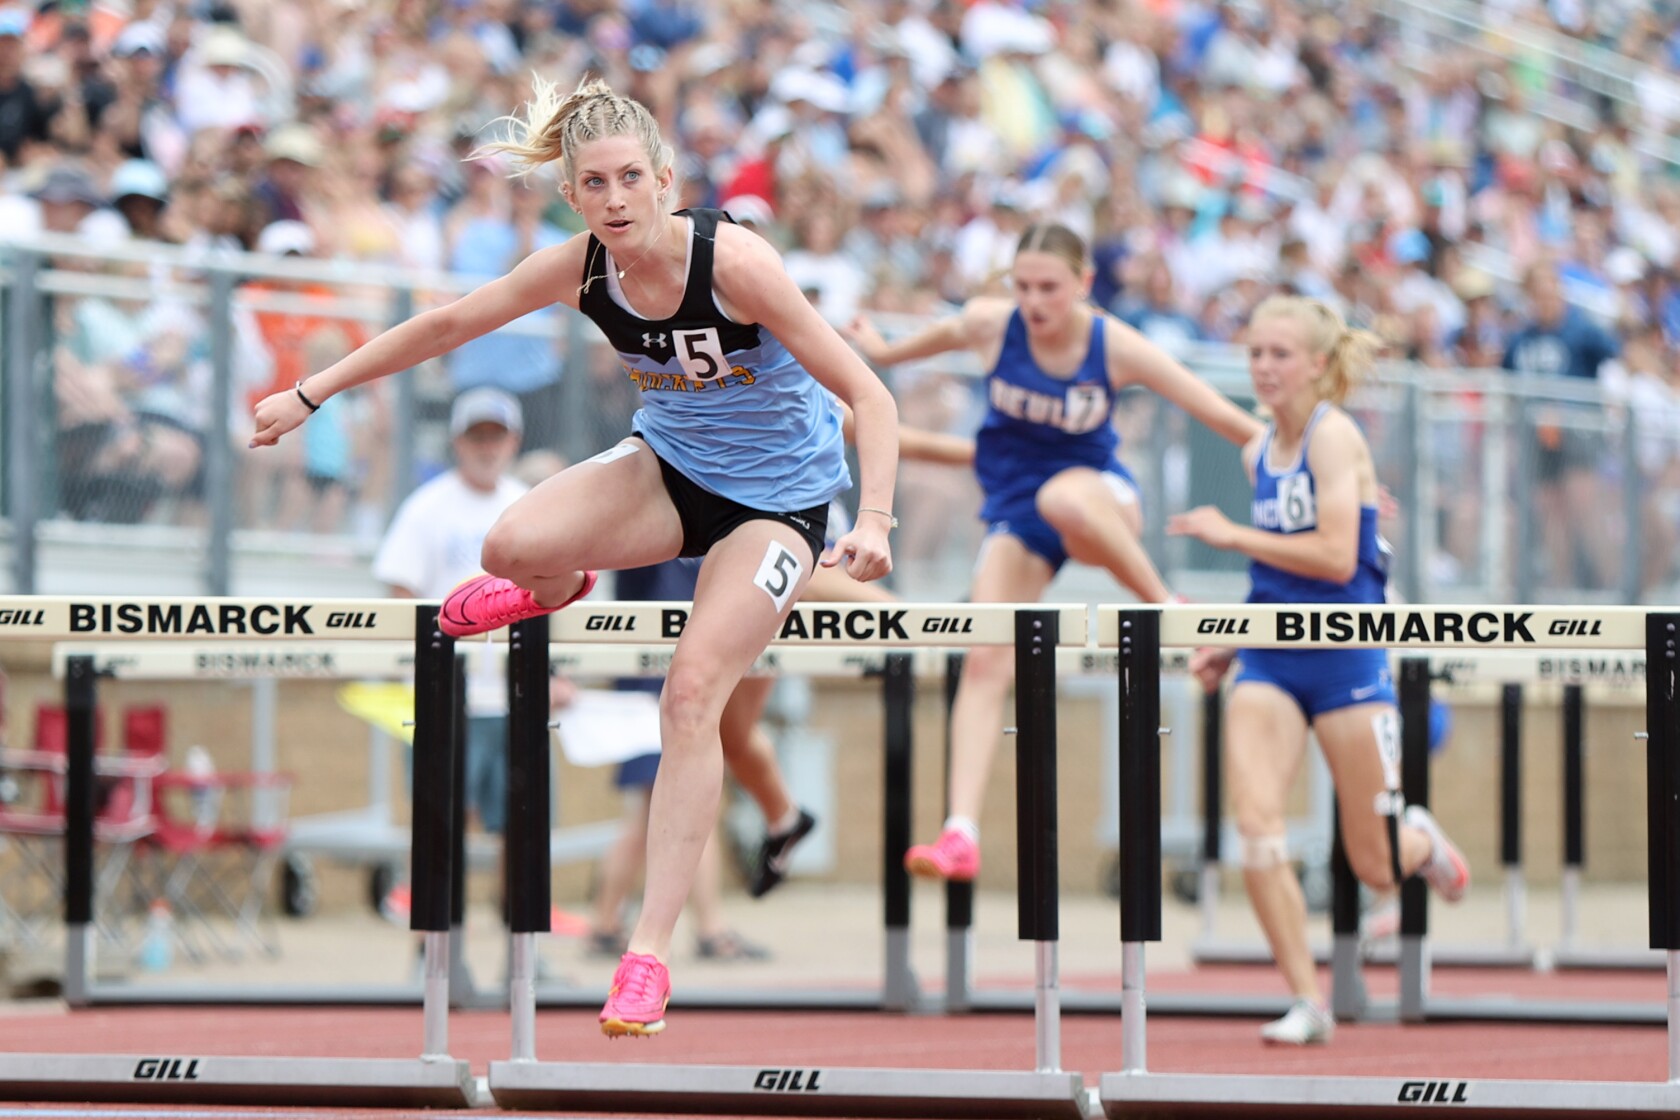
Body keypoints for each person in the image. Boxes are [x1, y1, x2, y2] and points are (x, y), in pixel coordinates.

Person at [251, 76, 899, 1038]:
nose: (616, 199)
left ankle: (647, 954)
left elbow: (871, 397)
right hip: (672, 469)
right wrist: (314, 392)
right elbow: (447, 326)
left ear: (666, 178)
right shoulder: (580, 267)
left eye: (632, 177)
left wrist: (876, 518)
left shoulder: (738, 264)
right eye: (594, 184)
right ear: (573, 196)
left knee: (690, 695)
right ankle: (560, 585)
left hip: (780, 505)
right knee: (507, 544)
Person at [845, 221, 1260, 883]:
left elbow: (1217, 412)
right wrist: (881, 351)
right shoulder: (989, 322)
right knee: (985, 655)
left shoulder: (1113, 342)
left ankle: (1171, 609)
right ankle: (960, 831)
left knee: (1063, 498)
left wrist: (1314, 463)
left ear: (1084, 285)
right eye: (1024, 287)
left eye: (1050, 289)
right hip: (1017, 505)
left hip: (1100, 502)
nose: (1034, 303)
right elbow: (922, 347)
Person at [1167, 294, 1470, 1045]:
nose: (1263, 368)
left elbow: (1337, 559)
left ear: (1317, 365)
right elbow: (1277, 582)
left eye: (1278, 354)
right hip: (1271, 660)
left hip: (1346, 659)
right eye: (1255, 353)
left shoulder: (1336, 440)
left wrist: (1231, 533)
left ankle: (1421, 842)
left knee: (1375, 867)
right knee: (1257, 827)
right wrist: (1233, 640)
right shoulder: (1257, 449)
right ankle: (1309, 1000)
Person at [371, 387, 556, 925]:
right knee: (439, 822)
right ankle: (434, 944)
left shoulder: (531, 504)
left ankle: (518, 944)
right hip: (447, 695)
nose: (486, 447)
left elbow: (558, 591)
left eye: (495, 436)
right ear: (457, 441)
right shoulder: (427, 508)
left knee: (521, 825)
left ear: (513, 441)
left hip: (516, 693)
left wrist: (556, 672)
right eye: (476, 436)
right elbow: (401, 591)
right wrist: (419, 668)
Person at [589, 558, 772, 964]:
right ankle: (708, 929)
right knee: (674, 814)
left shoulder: (715, 538)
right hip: (653, 692)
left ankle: (606, 924)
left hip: (678, 691)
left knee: (649, 818)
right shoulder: (660, 530)